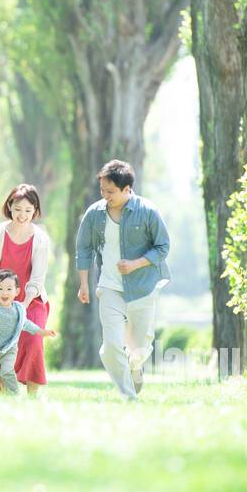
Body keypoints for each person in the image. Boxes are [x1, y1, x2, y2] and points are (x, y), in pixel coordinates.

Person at [75, 159, 170, 400]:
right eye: (102, 190)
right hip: (109, 287)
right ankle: (130, 396)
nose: (105, 196)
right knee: (111, 346)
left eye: (111, 191)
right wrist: (84, 283)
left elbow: (163, 247)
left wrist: (135, 264)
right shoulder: (94, 214)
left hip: (143, 286)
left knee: (141, 345)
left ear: (127, 189)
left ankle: (135, 365)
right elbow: (83, 248)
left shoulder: (147, 211)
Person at [0, 183, 51, 395]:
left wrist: (21, 307)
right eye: (17, 209)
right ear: (9, 207)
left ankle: (32, 396)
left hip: (31, 300)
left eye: (28, 210)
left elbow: (37, 278)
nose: (22, 215)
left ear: (35, 211)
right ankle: (0, 394)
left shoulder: (40, 238)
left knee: (34, 340)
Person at [0, 270, 56, 395]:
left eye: (9, 289)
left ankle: (14, 395)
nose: (4, 293)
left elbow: (26, 324)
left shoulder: (18, 309)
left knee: (7, 370)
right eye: (0, 289)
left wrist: (42, 332)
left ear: (17, 292)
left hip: (9, 349)